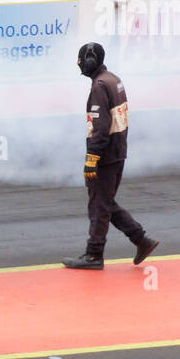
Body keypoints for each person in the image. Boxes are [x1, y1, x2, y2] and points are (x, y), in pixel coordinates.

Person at [63, 42, 159, 270]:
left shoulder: (99, 86)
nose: (79, 64)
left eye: (81, 60)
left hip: (105, 156)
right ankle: (141, 239)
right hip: (118, 152)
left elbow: (101, 127)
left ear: (88, 61)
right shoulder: (114, 80)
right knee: (104, 203)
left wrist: (92, 159)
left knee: (98, 206)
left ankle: (94, 255)